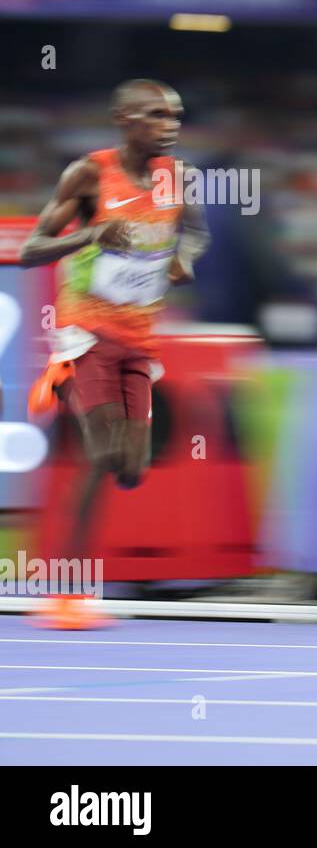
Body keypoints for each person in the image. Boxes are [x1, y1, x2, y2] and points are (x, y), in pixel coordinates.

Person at [21, 79, 209, 630]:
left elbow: (195, 233)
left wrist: (185, 261)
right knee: (99, 459)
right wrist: (93, 234)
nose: (170, 124)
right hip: (88, 331)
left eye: (175, 114)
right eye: (155, 115)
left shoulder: (179, 178)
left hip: (139, 336)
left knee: (130, 471)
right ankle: (66, 591)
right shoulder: (87, 174)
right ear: (124, 120)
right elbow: (32, 251)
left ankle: (63, 383)